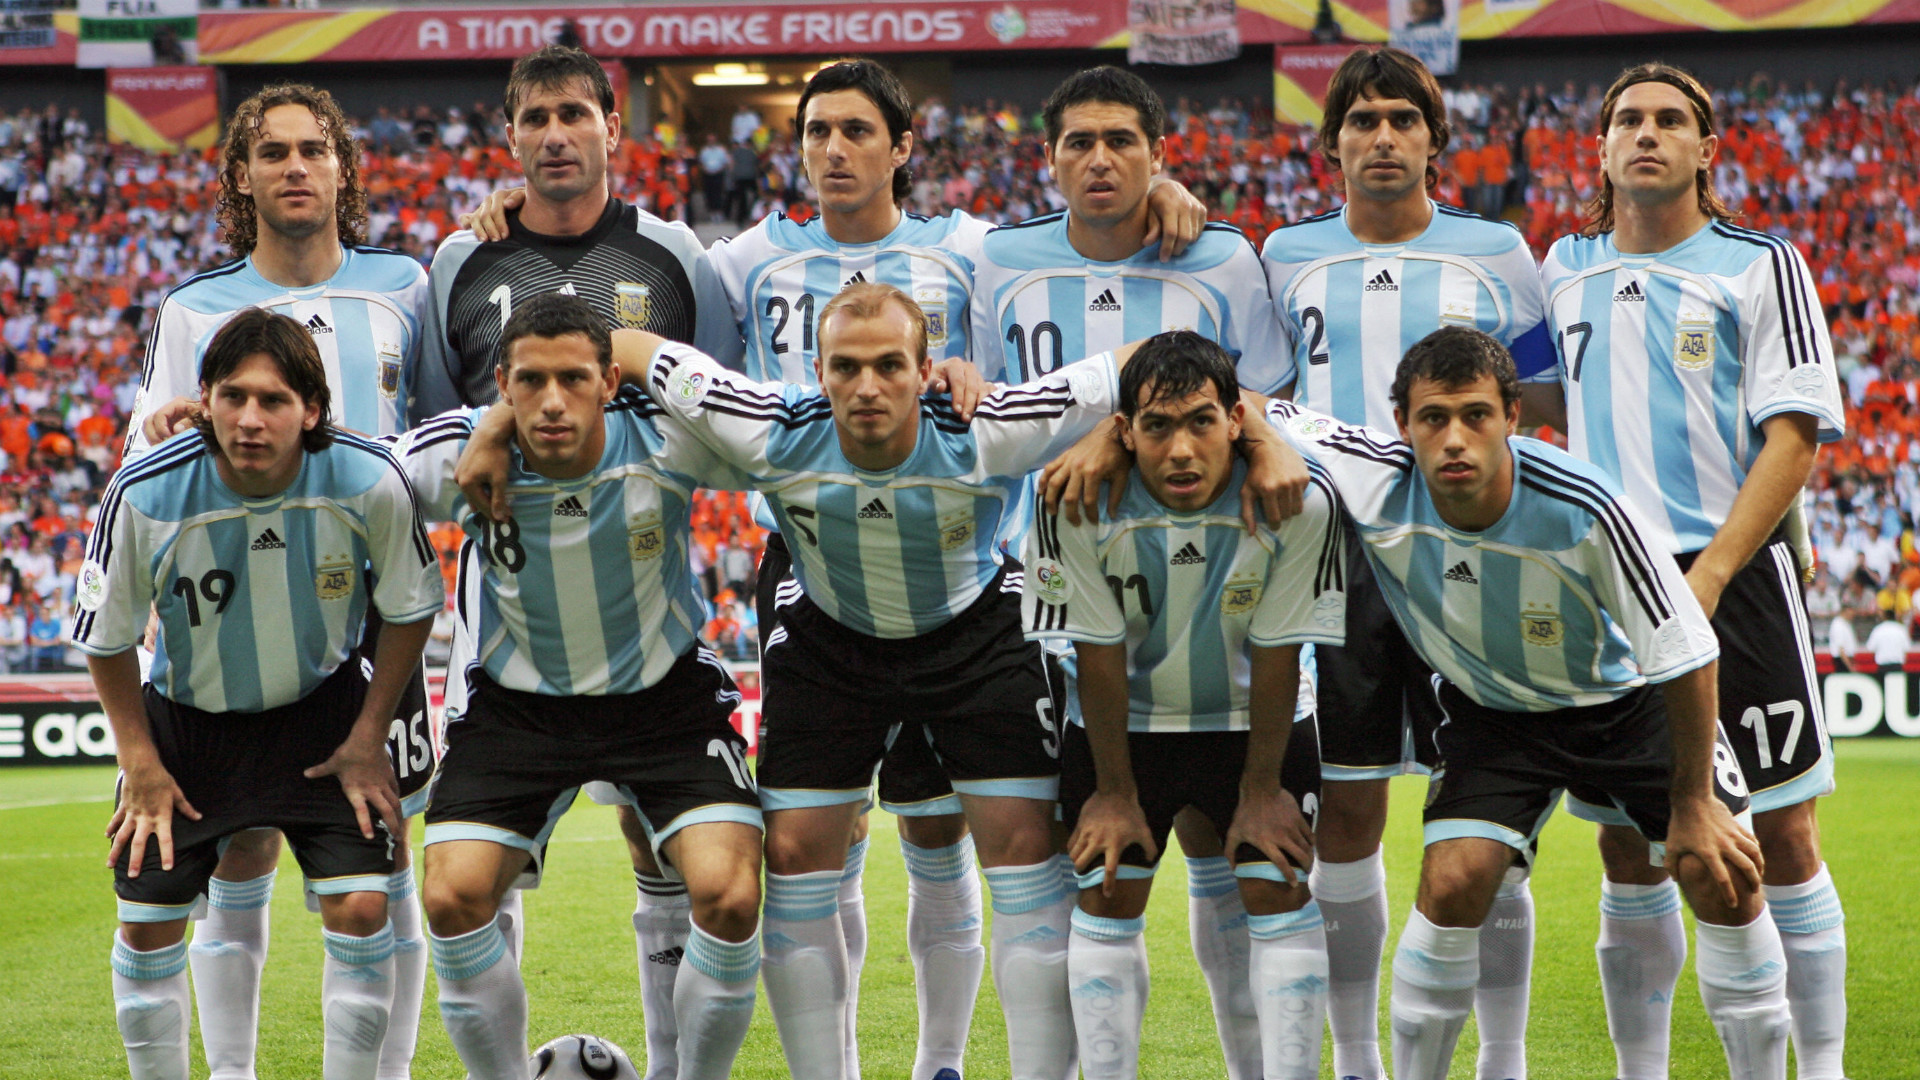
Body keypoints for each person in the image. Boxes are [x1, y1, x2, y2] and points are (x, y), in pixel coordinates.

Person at [566, 283, 1139, 1080]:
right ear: (818, 371)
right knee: (796, 856)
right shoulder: (769, 424)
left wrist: (1116, 435)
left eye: (889, 366)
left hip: (974, 632)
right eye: (846, 367)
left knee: (1021, 848)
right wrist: (498, 428)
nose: (868, 386)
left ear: (926, 369)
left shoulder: (990, 426)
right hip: (831, 639)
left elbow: (1146, 361)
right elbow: (619, 343)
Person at [1272, 326, 1790, 1080]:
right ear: (1402, 424)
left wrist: (1692, 801)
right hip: (1494, 711)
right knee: (1452, 881)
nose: (1454, 438)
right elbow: (1248, 407)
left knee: (1725, 872)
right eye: (1433, 417)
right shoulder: (1372, 477)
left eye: (1475, 415)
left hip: (1629, 704)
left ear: (1513, 415)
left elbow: (1687, 652)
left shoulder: (1586, 506)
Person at [420, 45, 746, 1077]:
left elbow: (724, 403)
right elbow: (426, 419)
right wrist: (483, 425)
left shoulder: (677, 258)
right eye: (535, 119)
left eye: (575, 114)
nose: (555, 134)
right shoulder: (457, 263)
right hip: (505, 620)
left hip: (642, 592)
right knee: (479, 877)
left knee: (674, 857)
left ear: (614, 126)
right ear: (509, 135)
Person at [969, 66, 1295, 1080]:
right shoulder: (998, 259)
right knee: (1091, 862)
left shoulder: (1224, 257)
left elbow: (1263, 414)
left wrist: (1131, 444)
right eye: (1078, 142)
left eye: (1122, 140)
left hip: (1222, 583)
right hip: (1058, 584)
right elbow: (997, 413)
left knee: (1230, 850)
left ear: (1160, 156)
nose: (1099, 159)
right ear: (1049, 157)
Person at [1535, 63, 1850, 1080]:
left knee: (1785, 830)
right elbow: (1527, 399)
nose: (1648, 133)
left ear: (1707, 150)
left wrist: (1711, 574)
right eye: (1627, 117)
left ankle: (1826, 1067)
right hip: (1605, 585)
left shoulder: (1762, 265)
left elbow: (1795, 434)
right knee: (1630, 845)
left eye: (1672, 120)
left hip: (1734, 576)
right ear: (1601, 145)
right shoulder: (1562, 267)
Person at [125, 82, 437, 1080]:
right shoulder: (194, 307)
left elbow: (439, 435)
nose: (296, 167)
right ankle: (233, 1073)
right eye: (274, 153)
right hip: (236, 623)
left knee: (388, 868)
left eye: (314, 150)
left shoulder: (408, 288)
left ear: (343, 168)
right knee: (240, 857)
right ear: (243, 176)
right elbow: (153, 445)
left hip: (372, 623)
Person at [1258, 46, 1553, 1080]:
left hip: (1464, 559)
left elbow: (1544, 411)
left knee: (1488, 809)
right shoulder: (1284, 253)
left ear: (1435, 139)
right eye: (1363, 120)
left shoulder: (1498, 253)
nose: (1383, 136)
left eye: (1402, 119)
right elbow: (1256, 404)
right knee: (1347, 809)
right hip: (1333, 562)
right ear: (1331, 140)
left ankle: (1503, 1060)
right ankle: (1355, 1062)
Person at [401, 293, 764, 1080]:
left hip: (663, 698)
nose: (552, 401)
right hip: (517, 709)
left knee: (731, 895)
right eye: (530, 382)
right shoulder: (460, 451)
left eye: (573, 377)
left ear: (609, 381)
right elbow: (342, 479)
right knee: (452, 897)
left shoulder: (667, 440)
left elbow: (777, 432)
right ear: (502, 383)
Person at [76, 309, 443, 1080]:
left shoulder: (369, 477)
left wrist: (369, 735)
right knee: (146, 926)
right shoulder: (145, 491)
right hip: (186, 725)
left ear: (311, 408)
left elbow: (411, 607)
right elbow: (105, 635)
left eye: (273, 400)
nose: (250, 419)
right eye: (233, 395)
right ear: (202, 397)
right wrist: (139, 764)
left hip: (325, 717)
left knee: (364, 905)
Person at [1023, 331, 1343, 1080]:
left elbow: (1277, 653)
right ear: (1124, 431)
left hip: (1253, 722)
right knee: (1107, 894)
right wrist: (1112, 791)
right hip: (1120, 729)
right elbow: (1095, 657)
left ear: (1237, 420)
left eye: (1200, 421)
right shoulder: (1073, 500)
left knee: (1278, 886)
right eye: (1157, 426)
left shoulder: (1300, 498)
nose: (1180, 449)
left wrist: (1263, 792)